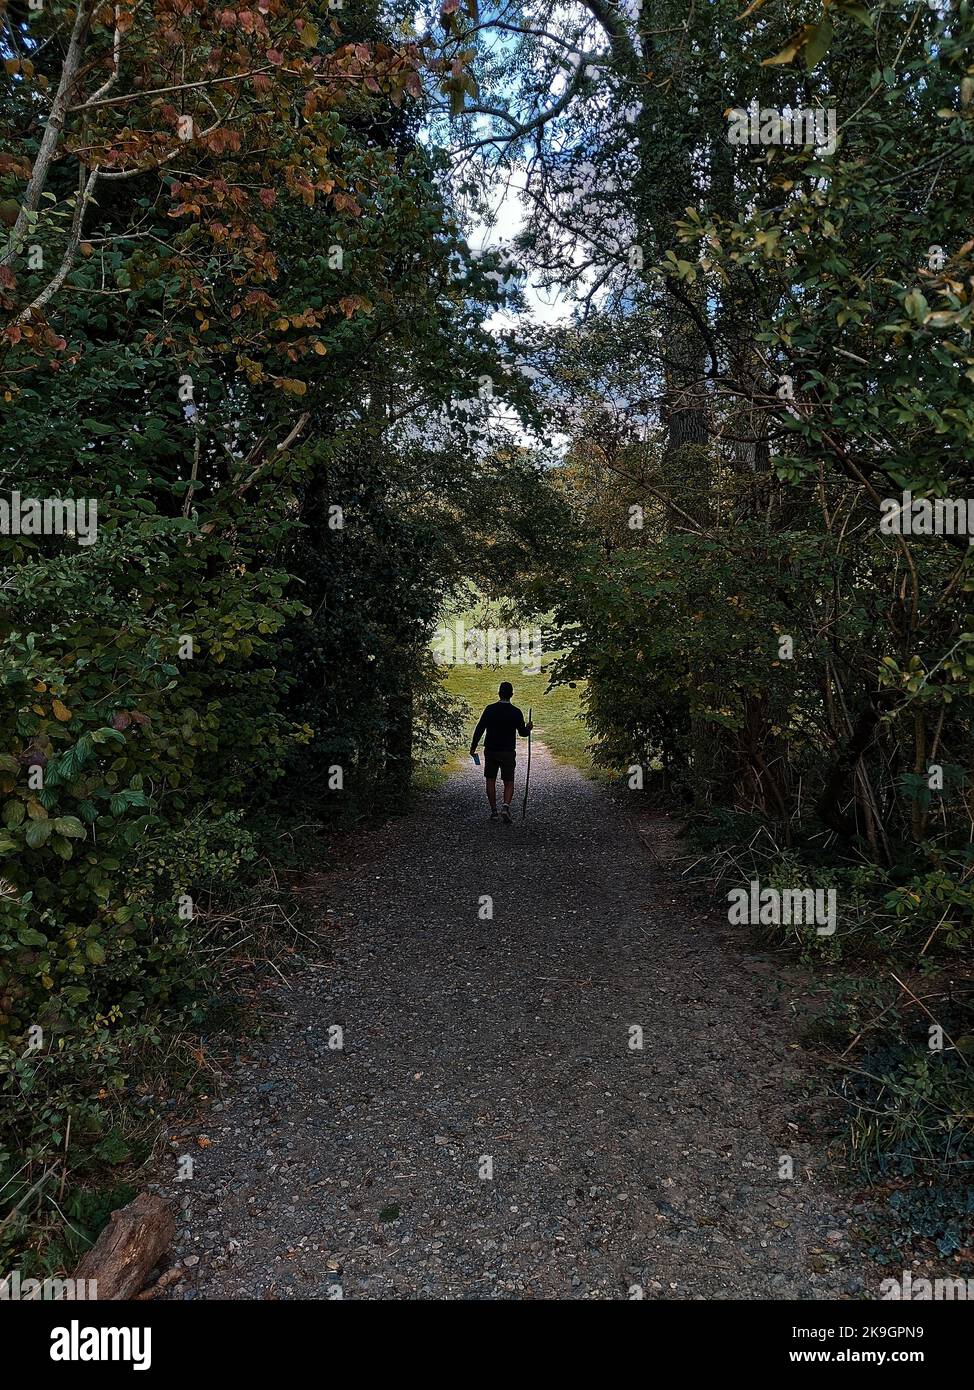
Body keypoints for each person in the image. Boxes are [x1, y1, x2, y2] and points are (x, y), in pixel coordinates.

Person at [470, 681, 533, 823]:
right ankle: (505, 807)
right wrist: (528, 728)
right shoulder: (515, 712)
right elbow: (523, 733)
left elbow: (479, 728)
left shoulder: (490, 709)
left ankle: (493, 812)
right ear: (511, 695)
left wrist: (473, 747)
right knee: (509, 781)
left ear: (499, 693)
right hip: (508, 751)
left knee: (490, 780)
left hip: (491, 750)